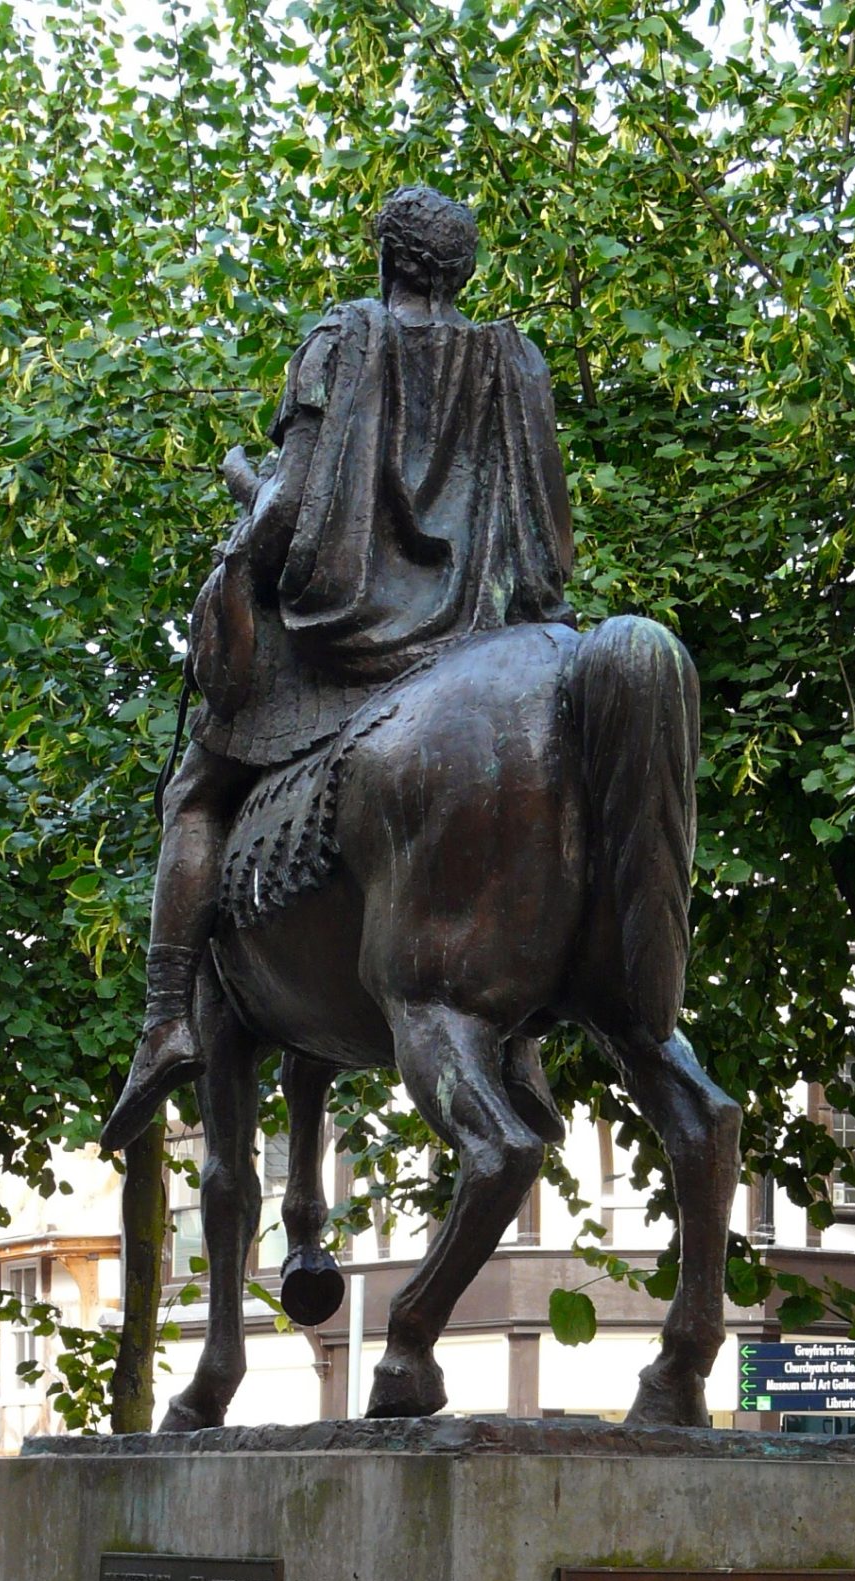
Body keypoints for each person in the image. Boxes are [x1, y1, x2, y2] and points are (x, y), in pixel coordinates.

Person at [101, 185, 575, 1151]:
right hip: (473, 656)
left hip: (342, 652)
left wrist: (244, 511)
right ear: (461, 269)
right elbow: (547, 541)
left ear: (388, 259)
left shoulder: (341, 341)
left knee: (193, 792)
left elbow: (288, 511)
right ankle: (519, 1030)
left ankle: (163, 1024)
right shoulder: (512, 360)